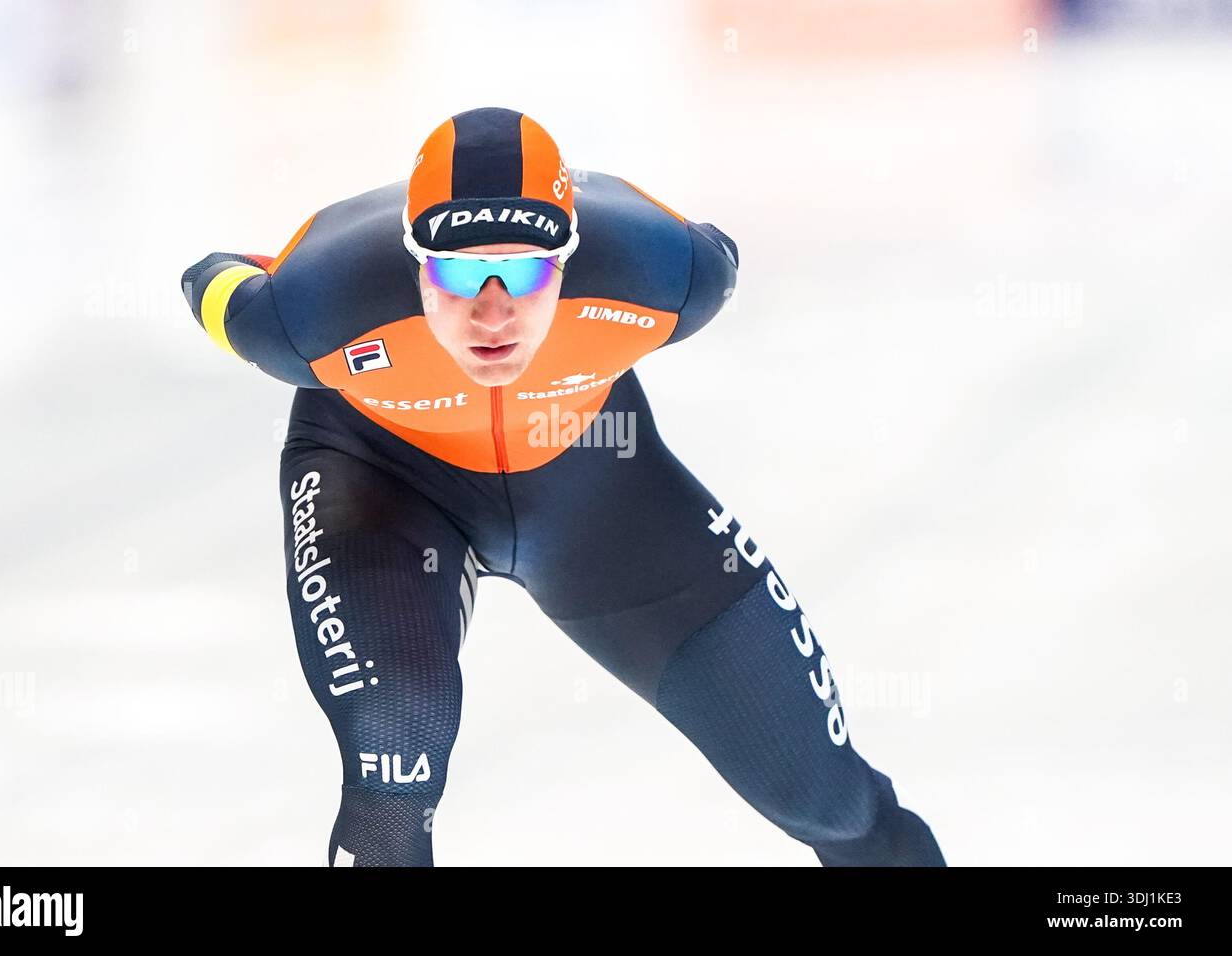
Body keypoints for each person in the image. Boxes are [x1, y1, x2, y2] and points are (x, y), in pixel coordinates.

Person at [180, 106, 945, 867]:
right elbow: (211, 277)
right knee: (395, 759)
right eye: (456, 271)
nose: (492, 310)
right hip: (383, 484)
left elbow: (721, 246)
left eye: (523, 269)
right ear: (416, 264)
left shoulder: (669, 275)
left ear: (570, 259)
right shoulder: (306, 314)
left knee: (831, 802)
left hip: (591, 493)